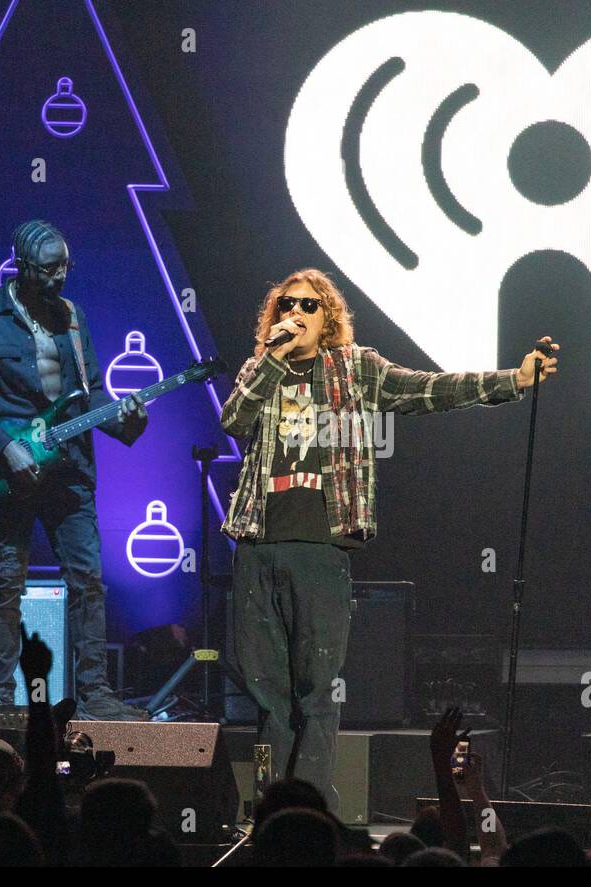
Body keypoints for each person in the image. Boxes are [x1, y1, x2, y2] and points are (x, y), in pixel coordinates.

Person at [221, 268, 557, 808]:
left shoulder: (355, 369)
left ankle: (308, 812)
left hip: (321, 550)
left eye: (309, 306)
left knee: (317, 694)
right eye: (288, 304)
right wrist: (272, 359)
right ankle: (268, 808)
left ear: (327, 317)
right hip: (259, 546)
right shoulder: (261, 371)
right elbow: (234, 421)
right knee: (267, 696)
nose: (297, 314)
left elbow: (429, 389)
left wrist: (512, 381)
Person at [0, 220, 148, 720]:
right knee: (7, 579)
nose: (59, 278)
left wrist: (126, 421)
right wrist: (2, 446)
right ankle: (0, 695)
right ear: (21, 265)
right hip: (11, 473)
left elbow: (91, 391)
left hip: (70, 470)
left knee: (87, 581)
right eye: (48, 269)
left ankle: (94, 693)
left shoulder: (72, 319)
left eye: (64, 268)